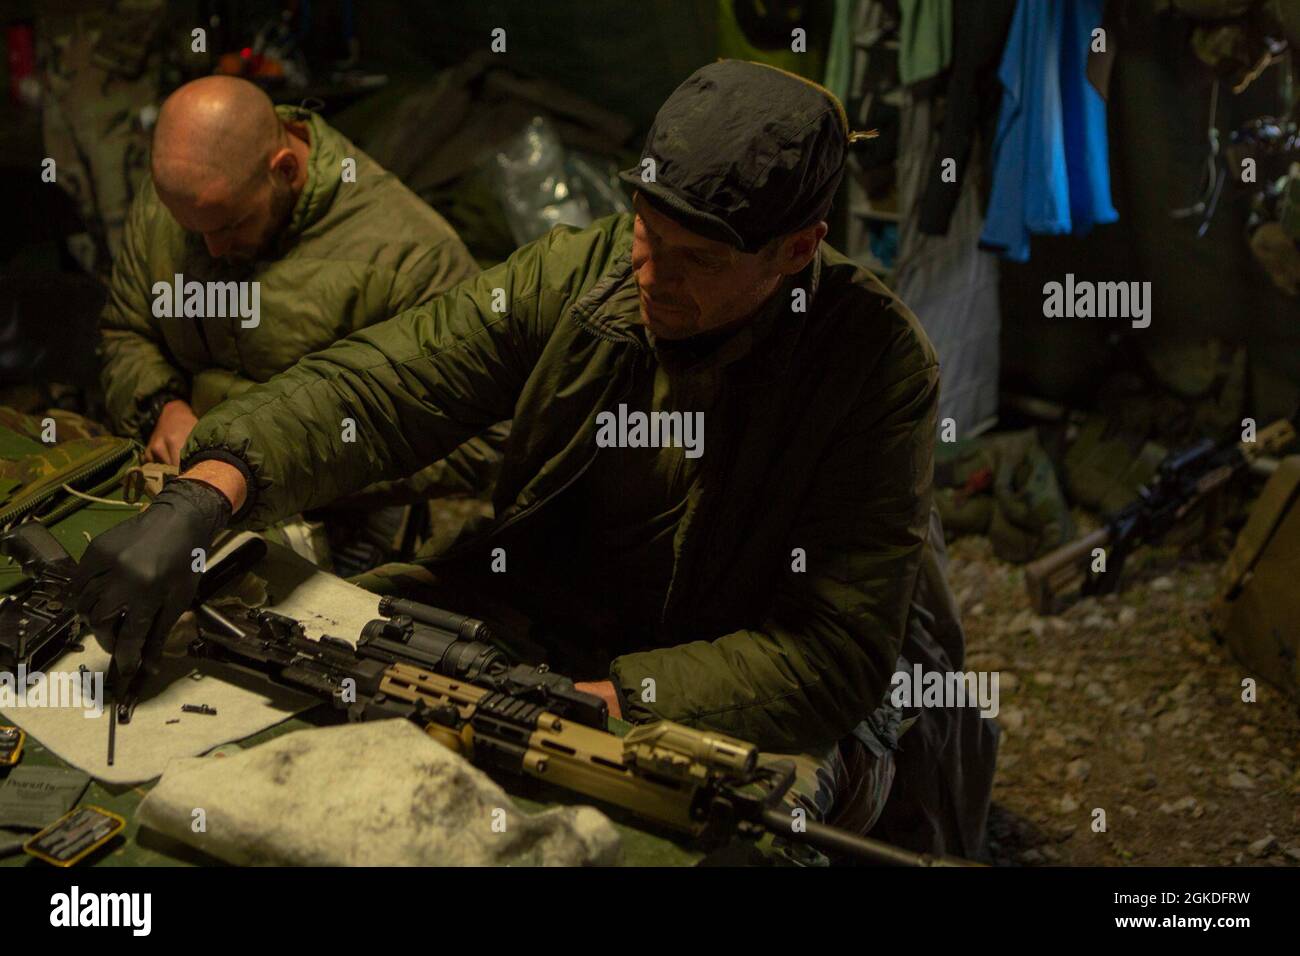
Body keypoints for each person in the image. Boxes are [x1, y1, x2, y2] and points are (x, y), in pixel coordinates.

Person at [76, 61, 996, 857]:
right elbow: (390, 382)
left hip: (726, 676)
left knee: (733, 837)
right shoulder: (582, 271)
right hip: (541, 611)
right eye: (644, 233)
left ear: (797, 251)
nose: (650, 277)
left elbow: (831, 652)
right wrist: (213, 485)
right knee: (303, 679)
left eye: (694, 261)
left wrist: (606, 700)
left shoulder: (873, 367)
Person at [98, 75, 501, 510]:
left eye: (230, 225)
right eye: (191, 229)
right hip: (182, 495)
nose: (212, 247)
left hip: (331, 510)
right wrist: (161, 407)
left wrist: (279, 478)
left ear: (285, 170)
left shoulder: (411, 259)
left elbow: (478, 444)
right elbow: (126, 331)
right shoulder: (188, 195)